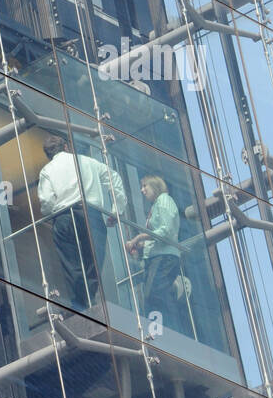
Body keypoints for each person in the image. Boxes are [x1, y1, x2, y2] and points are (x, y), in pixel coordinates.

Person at [38, 135, 127, 310]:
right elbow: (114, 177)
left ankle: (81, 304)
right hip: (91, 214)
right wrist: (118, 210)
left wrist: (52, 213)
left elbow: (47, 201)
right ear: (66, 147)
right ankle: (89, 299)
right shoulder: (87, 161)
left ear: (49, 154)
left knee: (71, 263)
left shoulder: (47, 171)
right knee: (94, 259)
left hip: (64, 216)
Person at [125, 175, 181, 326]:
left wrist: (138, 238)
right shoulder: (156, 205)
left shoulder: (164, 200)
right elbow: (160, 233)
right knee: (152, 295)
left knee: (154, 294)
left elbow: (166, 230)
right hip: (158, 256)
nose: (142, 190)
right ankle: (161, 328)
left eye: (145, 186)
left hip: (164, 257)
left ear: (155, 186)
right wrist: (143, 244)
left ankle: (166, 328)